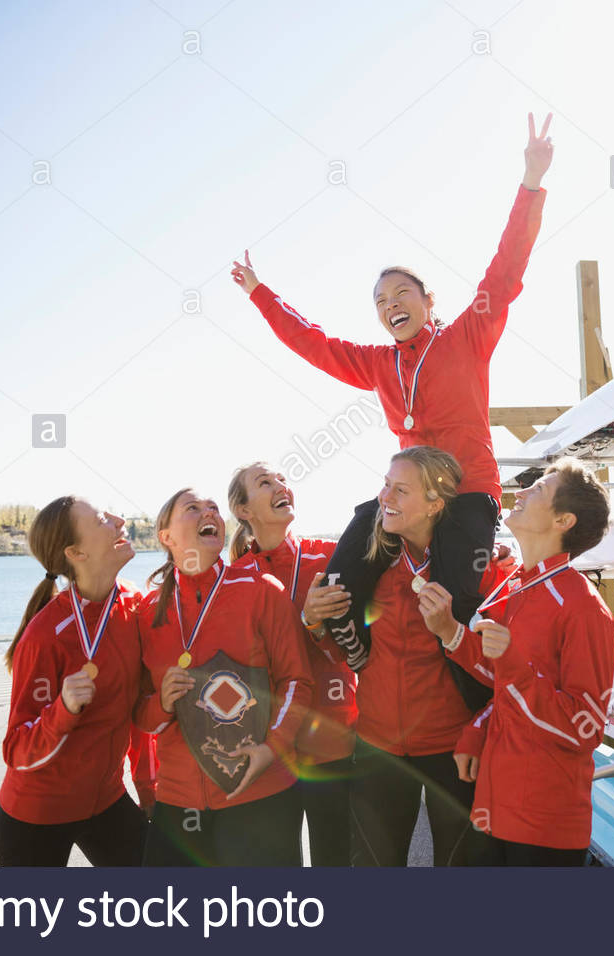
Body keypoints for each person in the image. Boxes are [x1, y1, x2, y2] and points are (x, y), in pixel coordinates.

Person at [230, 114, 554, 701]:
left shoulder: (465, 338)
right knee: (343, 573)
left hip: (467, 495)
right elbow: (315, 343)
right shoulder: (379, 363)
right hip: (403, 500)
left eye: (403, 292)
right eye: (381, 300)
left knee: (453, 608)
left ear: (429, 300)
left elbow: (506, 270)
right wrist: (261, 294)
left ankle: (480, 719)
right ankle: (353, 643)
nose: (391, 304)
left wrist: (530, 182)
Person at [418, 458, 614, 866]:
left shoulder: (582, 606)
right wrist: (448, 631)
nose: (520, 492)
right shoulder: (519, 587)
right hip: (496, 804)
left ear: (563, 520)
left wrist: (511, 663)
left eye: (538, 489)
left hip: (544, 820)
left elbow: (585, 727)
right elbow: (502, 680)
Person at [318, 446, 496, 866]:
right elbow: (332, 645)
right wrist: (313, 618)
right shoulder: (369, 564)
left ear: (435, 504)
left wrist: (450, 630)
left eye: (400, 490)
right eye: (385, 485)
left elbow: (501, 670)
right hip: (377, 747)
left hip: (451, 749)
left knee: (461, 869)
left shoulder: (478, 570)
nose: (385, 497)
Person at [135, 488, 314, 866]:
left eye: (214, 507)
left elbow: (297, 682)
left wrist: (271, 749)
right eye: (193, 508)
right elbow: (139, 714)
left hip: (263, 793)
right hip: (179, 801)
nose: (209, 513)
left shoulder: (262, 591)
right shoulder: (147, 611)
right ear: (166, 537)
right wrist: (161, 704)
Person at [0, 496, 148, 867]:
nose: (118, 520)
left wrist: (148, 786)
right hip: (37, 814)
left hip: (107, 800)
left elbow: (141, 709)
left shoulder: (133, 605)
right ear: (76, 552)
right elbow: (16, 750)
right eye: (101, 520)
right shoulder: (45, 635)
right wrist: (62, 710)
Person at [226, 462, 357, 866]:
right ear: (244, 511)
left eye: (282, 479)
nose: (281, 485)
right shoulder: (233, 578)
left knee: (334, 863)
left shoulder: (331, 556)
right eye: (265, 483)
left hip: (333, 740)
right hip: (269, 751)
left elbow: (360, 646)